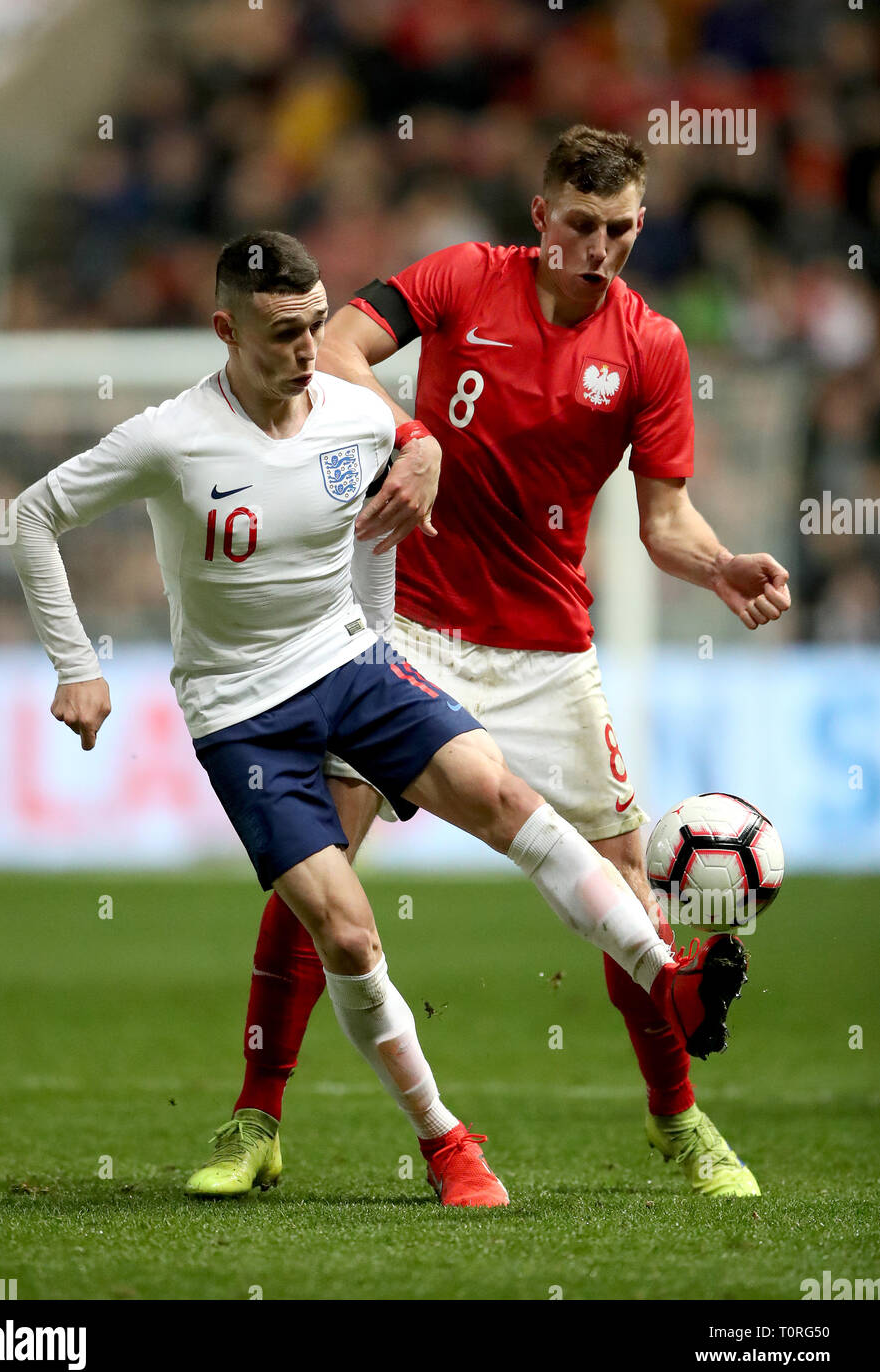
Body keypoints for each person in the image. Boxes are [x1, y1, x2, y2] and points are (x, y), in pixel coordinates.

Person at [10, 229, 748, 1208]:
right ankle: (435, 1138)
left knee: (507, 799)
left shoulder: (359, 414)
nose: (309, 348)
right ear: (226, 330)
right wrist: (77, 664)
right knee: (344, 929)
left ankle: (673, 988)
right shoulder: (170, 437)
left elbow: (389, 509)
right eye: (283, 332)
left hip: (370, 663)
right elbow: (31, 515)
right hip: (244, 712)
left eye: (316, 326)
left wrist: (379, 618)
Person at [203, 128, 791, 1202]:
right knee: (315, 868)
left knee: (624, 895)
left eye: (618, 230)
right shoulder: (465, 279)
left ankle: (678, 1118)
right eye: (579, 225)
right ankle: (257, 1117)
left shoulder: (653, 347)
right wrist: (410, 434)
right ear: (540, 217)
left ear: (639, 227)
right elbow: (334, 348)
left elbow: (664, 520)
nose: (597, 249)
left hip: (549, 650)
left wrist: (718, 568)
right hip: (407, 628)